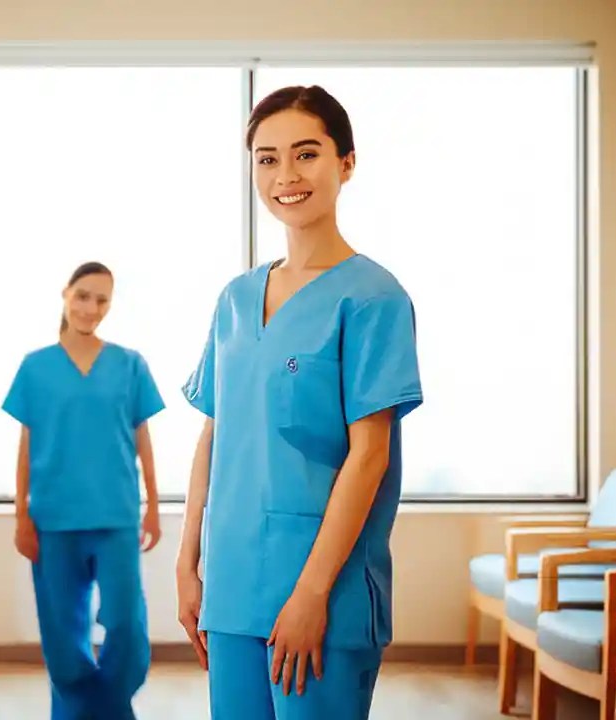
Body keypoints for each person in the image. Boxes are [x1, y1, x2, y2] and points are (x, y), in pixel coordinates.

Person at [175, 85, 424, 719]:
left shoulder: (373, 297)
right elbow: (215, 434)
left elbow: (369, 457)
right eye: (267, 158)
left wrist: (312, 593)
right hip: (231, 584)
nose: (285, 175)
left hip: (324, 593)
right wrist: (187, 561)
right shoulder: (235, 299)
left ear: (346, 163)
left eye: (306, 154)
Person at [2, 261, 166, 720]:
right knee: (62, 635)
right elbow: (26, 446)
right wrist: (21, 516)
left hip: (116, 515)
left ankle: (106, 708)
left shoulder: (130, 364)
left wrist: (154, 505)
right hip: (53, 519)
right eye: (83, 296)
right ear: (66, 294)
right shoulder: (36, 367)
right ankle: (80, 711)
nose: (91, 308)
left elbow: (142, 438)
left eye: (101, 300)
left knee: (126, 626)